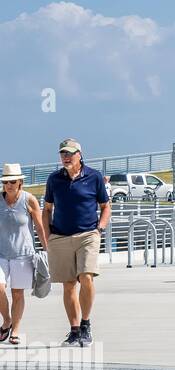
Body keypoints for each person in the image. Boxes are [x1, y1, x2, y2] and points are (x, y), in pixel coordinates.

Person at [42, 138, 110, 347]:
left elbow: (105, 206)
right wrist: (48, 237)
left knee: (86, 277)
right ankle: (74, 330)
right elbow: (47, 209)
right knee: (69, 284)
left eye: (70, 153)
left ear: (80, 155)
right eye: (63, 153)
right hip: (60, 237)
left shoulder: (94, 176)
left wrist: (100, 228)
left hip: (88, 235)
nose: (66, 157)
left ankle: (85, 325)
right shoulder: (54, 179)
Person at [0, 163, 48, 346]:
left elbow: (40, 227)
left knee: (18, 293)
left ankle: (16, 330)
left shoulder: (29, 200)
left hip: (23, 254)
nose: (8, 185)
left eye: (12, 182)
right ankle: (7, 320)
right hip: (1, 254)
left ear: (20, 182)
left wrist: (47, 251)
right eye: (5, 182)